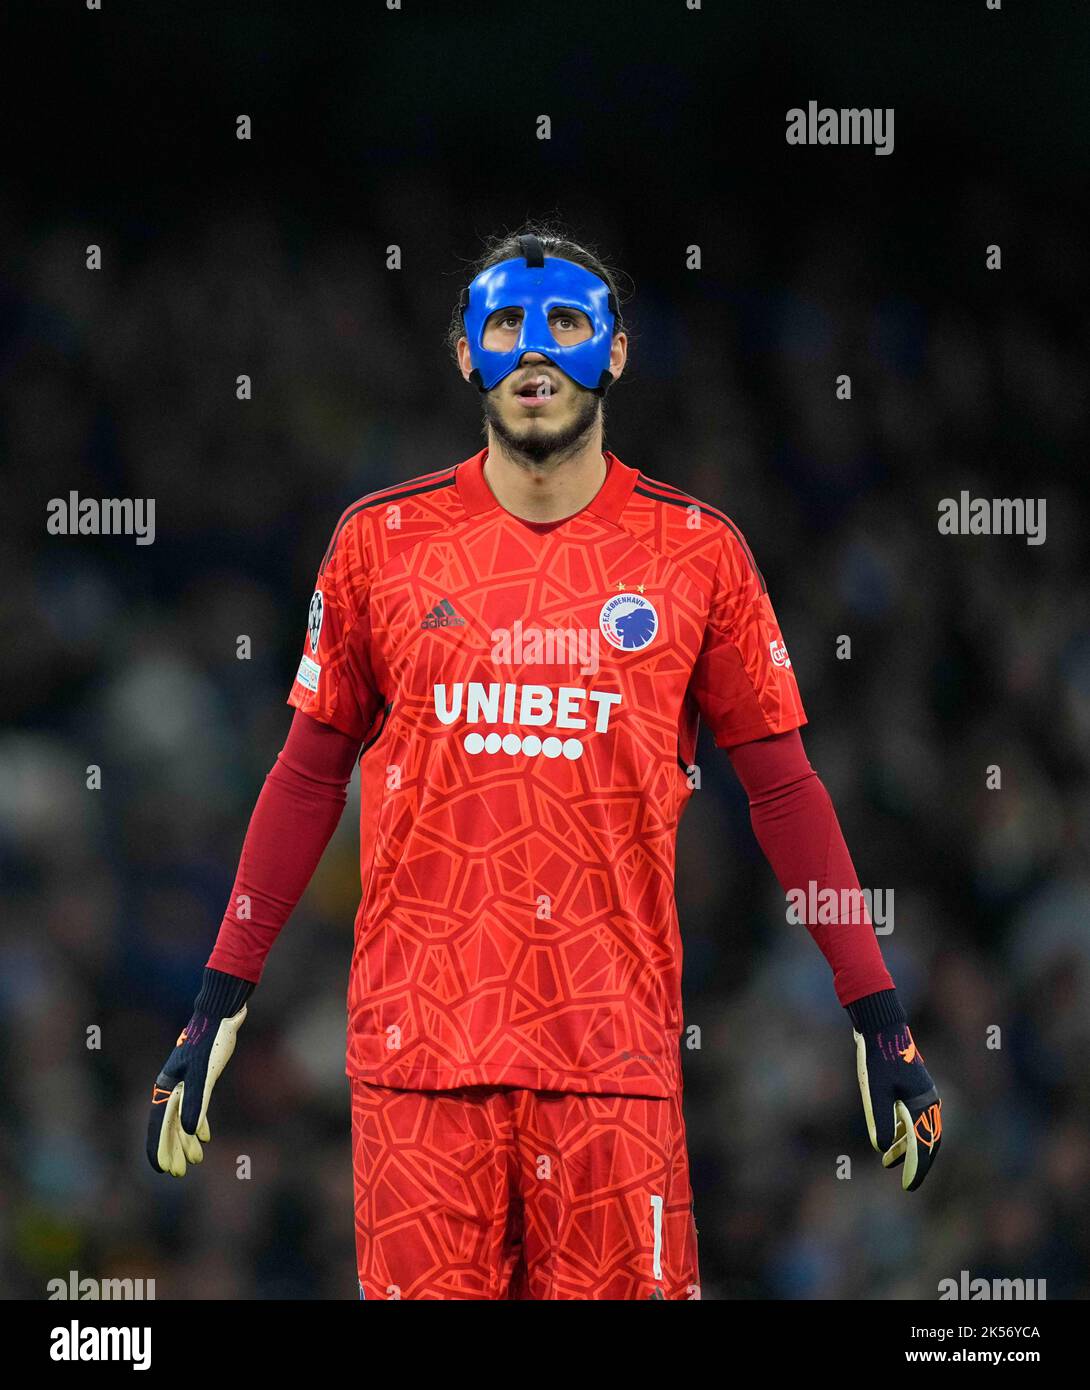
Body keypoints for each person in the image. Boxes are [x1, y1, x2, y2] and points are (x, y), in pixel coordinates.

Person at [147, 226, 942, 1300]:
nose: (535, 351)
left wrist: (877, 1012)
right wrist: (216, 997)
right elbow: (304, 775)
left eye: (567, 324)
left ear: (613, 354)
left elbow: (785, 791)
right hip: (419, 1065)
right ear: (466, 353)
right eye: (507, 326)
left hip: (612, 1066)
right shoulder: (379, 543)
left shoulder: (697, 553)